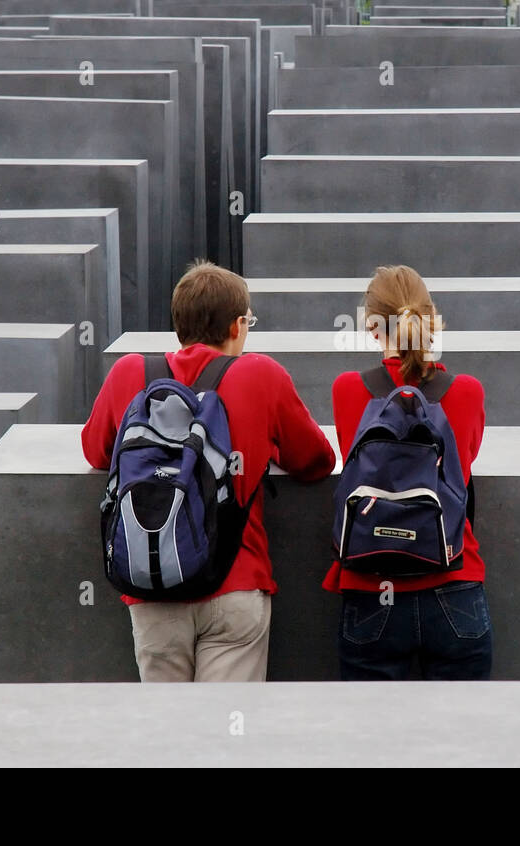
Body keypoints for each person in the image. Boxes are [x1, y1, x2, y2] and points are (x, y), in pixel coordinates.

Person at [82, 260, 335, 682]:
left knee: (168, 736)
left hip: (152, 586)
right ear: (237, 326)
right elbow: (316, 461)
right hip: (235, 585)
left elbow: (95, 451)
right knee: (223, 737)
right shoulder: (261, 374)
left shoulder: (131, 372)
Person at [324, 265, 491, 680]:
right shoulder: (467, 391)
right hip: (454, 584)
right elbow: (463, 469)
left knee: (374, 741)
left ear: (372, 326)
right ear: (432, 320)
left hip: (370, 589)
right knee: (465, 741)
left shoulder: (348, 389)